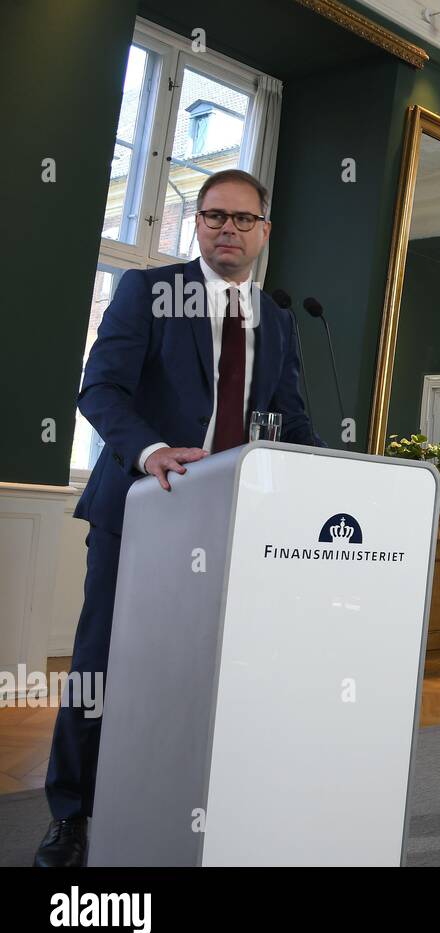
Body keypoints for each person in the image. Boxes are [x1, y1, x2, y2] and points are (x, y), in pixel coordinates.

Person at [35, 170, 322, 867]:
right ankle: (71, 816)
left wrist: (320, 479)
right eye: (214, 216)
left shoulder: (276, 317)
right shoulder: (148, 291)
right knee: (102, 667)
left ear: (264, 232)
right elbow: (99, 389)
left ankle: (192, 797)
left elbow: (292, 417)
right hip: (140, 512)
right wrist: (153, 451)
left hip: (233, 527)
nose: (229, 229)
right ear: (197, 225)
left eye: (243, 219)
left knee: (213, 669)